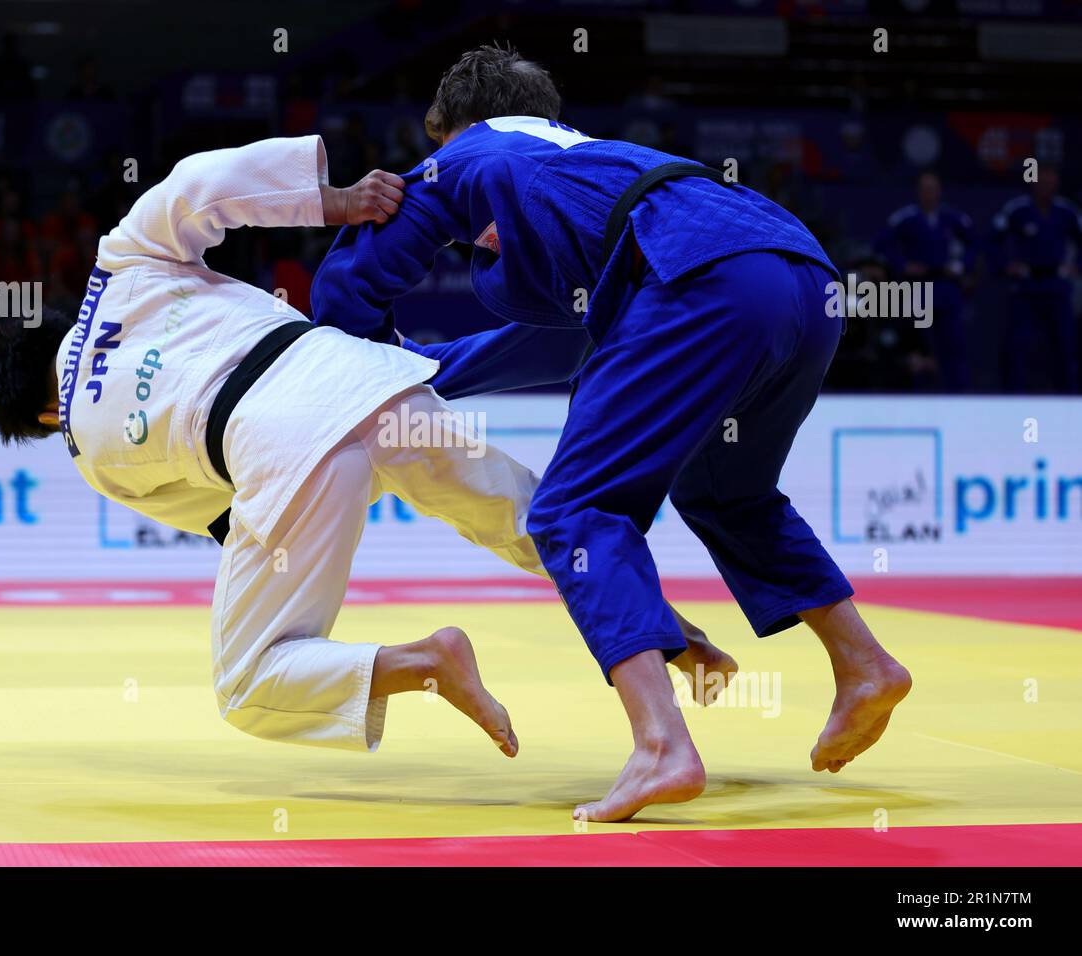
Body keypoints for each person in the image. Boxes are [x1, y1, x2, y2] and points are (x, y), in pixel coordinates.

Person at [0, 135, 732, 759]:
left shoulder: (88, 452)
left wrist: (330, 502)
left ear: (44, 416)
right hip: (362, 376)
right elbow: (197, 184)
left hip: (278, 445)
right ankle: (661, 624)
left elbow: (231, 515)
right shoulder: (119, 270)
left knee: (248, 683)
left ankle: (425, 664)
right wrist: (332, 200)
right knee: (533, 520)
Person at [311, 46, 911, 821]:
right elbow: (565, 341)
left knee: (573, 512)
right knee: (727, 490)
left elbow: (346, 285)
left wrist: (349, 369)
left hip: (700, 286)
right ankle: (863, 664)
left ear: (452, 128)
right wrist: (417, 373)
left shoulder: (465, 158)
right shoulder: (588, 163)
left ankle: (662, 745)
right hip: (796, 275)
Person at [874, 171, 975, 391]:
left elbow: (974, 245)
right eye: (925, 189)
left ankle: (960, 395)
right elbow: (882, 245)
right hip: (919, 289)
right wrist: (902, 265)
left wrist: (961, 266)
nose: (929, 194)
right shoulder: (906, 218)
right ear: (918, 192)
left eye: (933, 189)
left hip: (946, 288)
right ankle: (920, 394)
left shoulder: (953, 218)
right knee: (919, 346)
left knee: (954, 345)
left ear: (939, 191)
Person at [992, 166, 1082, 393]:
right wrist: (1005, 266)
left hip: (1057, 285)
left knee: (1065, 346)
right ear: (1033, 182)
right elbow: (993, 240)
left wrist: (1077, 267)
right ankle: (1013, 397)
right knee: (1017, 346)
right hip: (1027, 286)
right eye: (1042, 180)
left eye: (1051, 181)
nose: (1046, 186)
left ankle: (1069, 398)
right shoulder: (1018, 209)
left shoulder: (1067, 212)